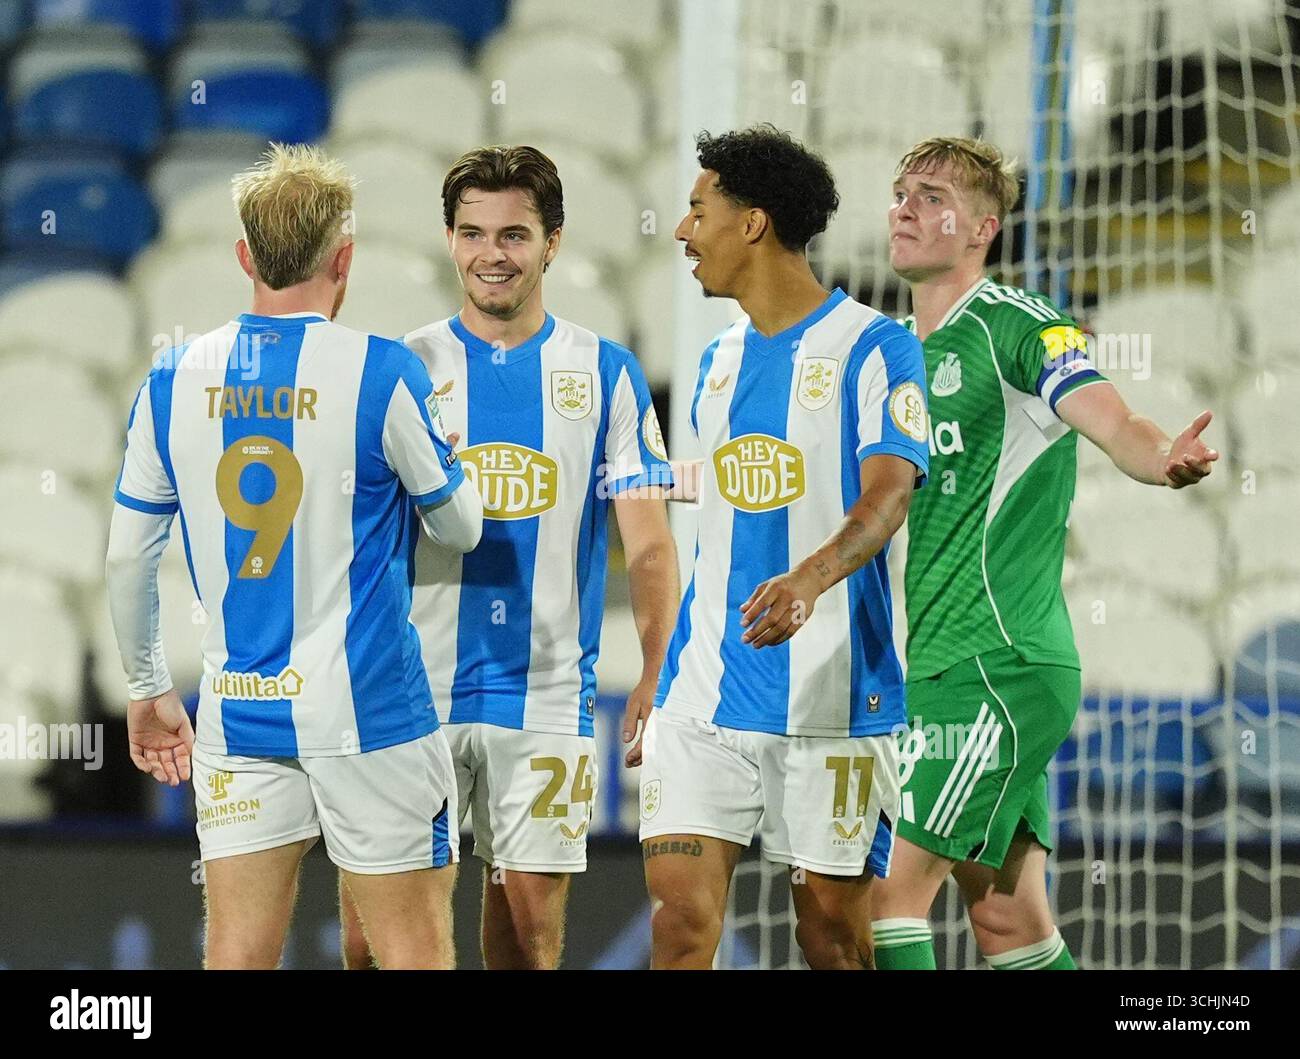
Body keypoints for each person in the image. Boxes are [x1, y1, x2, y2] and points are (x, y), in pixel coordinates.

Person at [105, 143, 482, 970]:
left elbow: (129, 560)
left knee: (237, 956)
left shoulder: (171, 380)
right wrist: (451, 462)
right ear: (344, 259)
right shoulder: (384, 373)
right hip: (372, 714)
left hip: (238, 713)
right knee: (411, 954)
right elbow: (460, 529)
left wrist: (145, 688)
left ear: (244, 256)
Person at [870, 136, 1218, 970]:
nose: (906, 209)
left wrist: (1160, 454)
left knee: (887, 898)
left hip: (1002, 662)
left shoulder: (1020, 326)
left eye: (932, 196)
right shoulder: (888, 350)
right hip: (945, 664)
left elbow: (1113, 419)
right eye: (900, 192)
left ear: (983, 227)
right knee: (1006, 921)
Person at [339, 145, 678, 969]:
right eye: (472, 232)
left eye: (515, 234)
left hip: (547, 690)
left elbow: (652, 545)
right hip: (407, 690)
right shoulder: (398, 368)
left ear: (553, 241)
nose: (492, 253)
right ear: (450, 240)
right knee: (374, 945)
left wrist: (656, 669)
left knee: (526, 942)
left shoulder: (605, 372)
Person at [642, 125, 930, 969]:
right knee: (680, 921)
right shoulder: (715, 360)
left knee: (834, 940)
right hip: (705, 696)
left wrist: (809, 578)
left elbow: (888, 496)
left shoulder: (879, 347)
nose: (682, 231)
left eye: (699, 210)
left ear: (753, 223)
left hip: (831, 700)